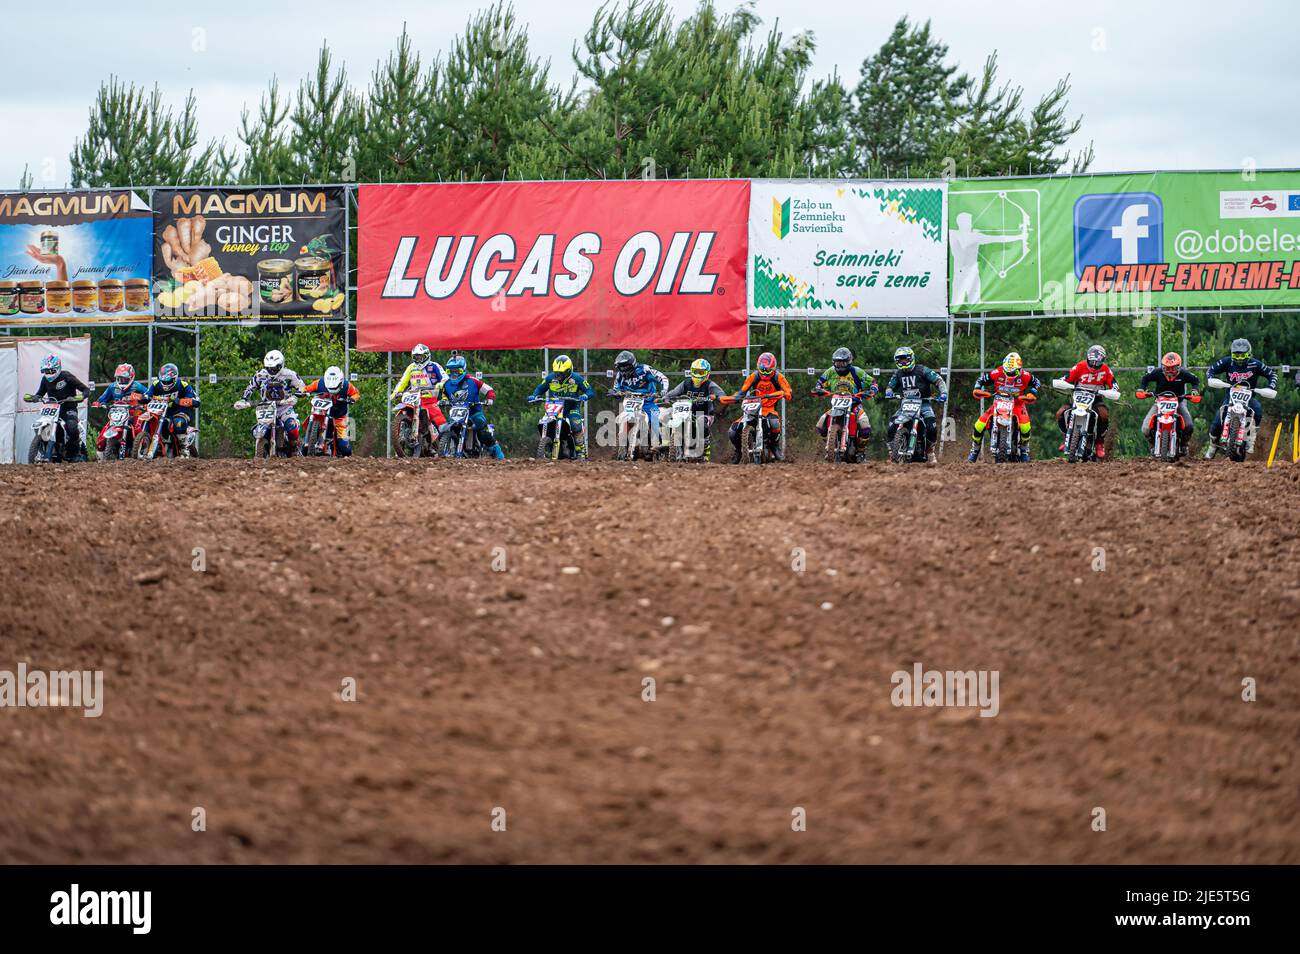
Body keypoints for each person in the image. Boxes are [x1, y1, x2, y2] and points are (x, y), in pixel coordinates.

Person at [1204, 338, 1279, 458]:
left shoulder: (1255, 364)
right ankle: (1212, 445)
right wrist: (1211, 378)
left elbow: (1272, 374)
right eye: (1236, 355)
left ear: (1248, 354)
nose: (1239, 358)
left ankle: (1251, 438)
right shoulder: (1227, 362)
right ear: (1232, 354)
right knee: (1217, 421)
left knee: (1258, 411)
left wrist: (1271, 386)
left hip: (1248, 397)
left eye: (1242, 355)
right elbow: (1211, 370)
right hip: (1231, 397)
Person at [968, 351, 1040, 462]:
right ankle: (974, 450)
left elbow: (1036, 382)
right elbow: (981, 380)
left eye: (1012, 372)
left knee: (1026, 427)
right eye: (1007, 371)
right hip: (998, 401)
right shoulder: (997, 372)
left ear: (1019, 369)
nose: (1009, 374)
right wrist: (977, 388)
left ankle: (1024, 450)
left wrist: (1032, 392)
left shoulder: (1026, 375)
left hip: (1017, 404)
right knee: (979, 425)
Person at [723, 351, 792, 462]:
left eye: (767, 370)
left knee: (775, 424)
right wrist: (733, 398)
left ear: (773, 369)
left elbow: (788, 392)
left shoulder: (779, 377)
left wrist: (785, 393)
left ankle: (775, 446)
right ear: (758, 367)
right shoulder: (753, 376)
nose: (764, 373)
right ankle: (738, 450)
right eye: (762, 369)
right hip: (753, 407)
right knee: (733, 430)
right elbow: (742, 391)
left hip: (769, 409)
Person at [883, 346, 947, 461]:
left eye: (905, 359)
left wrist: (943, 393)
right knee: (891, 425)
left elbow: (938, 380)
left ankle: (930, 451)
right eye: (900, 360)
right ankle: (892, 452)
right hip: (906, 404)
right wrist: (889, 393)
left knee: (932, 427)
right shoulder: (898, 374)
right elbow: (890, 387)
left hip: (924, 403)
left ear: (911, 358)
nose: (903, 362)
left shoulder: (922, 370)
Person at [435, 355, 505, 459]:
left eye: (457, 371)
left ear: (463, 369)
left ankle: (499, 455)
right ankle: (448, 450)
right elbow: (445, 395)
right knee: (444, 430)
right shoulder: (447, 384)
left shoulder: (473, 381)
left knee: (483, 433)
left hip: (474, 412)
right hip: (456, 412)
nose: (454, 374)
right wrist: (443, 401)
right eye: (450, 371)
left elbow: (489, 389)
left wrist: (490, 399)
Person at [1053, 344, 1116, 458]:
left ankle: (1099, 443)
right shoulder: (1079, 366)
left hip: (1096, 399)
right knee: (1060, 413)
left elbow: (1114, 385)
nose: (1094, 365)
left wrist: (1113, 391)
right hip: (1078, 397)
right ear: (1088, 358)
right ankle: (1066, 437)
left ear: (1102, 361)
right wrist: (1061, 382)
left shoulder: (1106, 370)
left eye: (1097, 363)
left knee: (1103, 414)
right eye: (1092, 362)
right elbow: (1067, 377)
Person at [239, 349, 305, 455]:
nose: (272, 370)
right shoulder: (260, 375)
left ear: (281, 365)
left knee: (292, 428)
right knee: (258, 430)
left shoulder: (289, 375)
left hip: (285, 408)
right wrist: (244, 399)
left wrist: (297, 395)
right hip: (267, 408)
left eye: (274, 367)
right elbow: (250, 387)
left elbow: (301, 386)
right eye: (269, 368)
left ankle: (294, 448)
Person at [24, 353, 88, 461]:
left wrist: (80, 397)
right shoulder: (45, 380)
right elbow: (40, 393)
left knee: (72, 426)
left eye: (51, 371)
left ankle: (73, 453)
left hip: (68, 408)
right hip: (53, 408)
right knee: (40, 425)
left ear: (57, 368)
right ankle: (47, 449)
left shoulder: (66, 376)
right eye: (46, 371)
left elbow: (85, 389)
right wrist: (34, 397)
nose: (48, 373)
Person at [814, 347, 877, 455]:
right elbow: (819, 382)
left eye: (843, 363)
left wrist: (872, 390)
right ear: (834, 362)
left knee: (865, 425)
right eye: (838, 363)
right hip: (836, 405)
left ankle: (860, 450)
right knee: (820, 424)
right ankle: (831, 443)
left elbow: (873, 382)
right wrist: (818, 389)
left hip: (855, 404)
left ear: (849, 362)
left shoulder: (857, 372)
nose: (840, 365)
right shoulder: (830, 371)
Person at [530, 354, 595, 458]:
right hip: (554, 407)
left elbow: (590, 390)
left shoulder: (577, 378)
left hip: (571, 407)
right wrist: (534, 396)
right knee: (544, 422)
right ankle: (547, 445)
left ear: (569, 370)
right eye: (557, 372)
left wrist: (585, 396)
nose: (558, 375)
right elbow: (540, 388)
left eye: (561, 373)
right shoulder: (550, 378)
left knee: (575, 424)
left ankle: (580, 451)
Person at [662, 358, 727, 460]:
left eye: (701, 372)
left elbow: (721, 394)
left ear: (707, 373)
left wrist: (716, 396)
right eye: (695, 372)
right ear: (691, 371)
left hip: (705, 414)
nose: (697, 375)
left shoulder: (710, 385)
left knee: (701, 423)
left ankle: (705, 447)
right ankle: (666, 444)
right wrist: (666, 398)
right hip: (685, 412)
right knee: (666, 415)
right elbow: (673, 392)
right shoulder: (686, 383)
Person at [1136, 352, 1199, 453]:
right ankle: (1153, 445)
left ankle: (1184, 444)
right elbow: (1145, 378)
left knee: (1189, 425)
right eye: (1167, 367)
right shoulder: (1158, 372)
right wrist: (1142, 389)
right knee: (1145, 428)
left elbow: (1195, 380)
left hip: (1178, 401)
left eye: (1173, 368)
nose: (1170, 371)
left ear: (1178, 367)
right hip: (1159, 402)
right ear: (1163, 366)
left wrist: (1194, 391)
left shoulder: (1184, 374)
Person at [611, 350, 670, 449]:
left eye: (625, 366)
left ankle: (659, 444)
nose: (623, 369)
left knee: (655, 419)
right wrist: (614, 392)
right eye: (621, 367)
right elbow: (616, 388)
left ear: (631, 364)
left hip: (647, 402)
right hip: (630, 402)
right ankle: (623, 444)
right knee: (623, 418)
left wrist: (664, 390)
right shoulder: (619, 375)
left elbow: (662, 378)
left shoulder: (644, 370)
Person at [390, 343, 448, 444]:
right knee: (403, 412)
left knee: (440, 421)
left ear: (426, 356)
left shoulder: (434, 366)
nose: (418, 359)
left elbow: (445, 377)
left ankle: (446, 443)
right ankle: (400, 441)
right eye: (416, 357)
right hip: (413, 397)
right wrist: (396, 392)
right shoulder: (411, 367)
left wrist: (440, 384)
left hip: (429, 397)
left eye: (420, 357)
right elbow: (403, 381)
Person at [92, 363, 150, 456]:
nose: (122, 381)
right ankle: (100, 458)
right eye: (119, 379)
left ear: (131, 377)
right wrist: (98, 403)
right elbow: (103, 398)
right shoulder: (112, 387)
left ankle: (144, 448)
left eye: (124, 379)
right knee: (102, 437)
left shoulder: (137, 386)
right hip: (117, 416)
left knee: (138, 429)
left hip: (133, 414)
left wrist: (144, 400)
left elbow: (149, 395)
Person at [303, 365, 360, 456]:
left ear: (340, 383)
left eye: (334, 389)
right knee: (308, 421)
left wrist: (352, 399)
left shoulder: (346, 385)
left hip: (339, 418)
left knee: (346, 450)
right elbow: (307, 388)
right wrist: (303, 392)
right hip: (321, 413)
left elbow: (356, 393)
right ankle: (306, 442)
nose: (332, 391)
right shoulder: (319, 383)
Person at [146, 362, 201, 455]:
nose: (166, 383)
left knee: (178, 422)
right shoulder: (156, 384)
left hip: (180, 411)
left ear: (175, 378)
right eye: (164, 381)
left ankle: (184, 448)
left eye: (169, 381)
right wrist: (144, 398)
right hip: (162, 411)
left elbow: (196, 400)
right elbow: (147, 394)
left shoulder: (183, 385)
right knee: (150, 420)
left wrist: (180, 401)